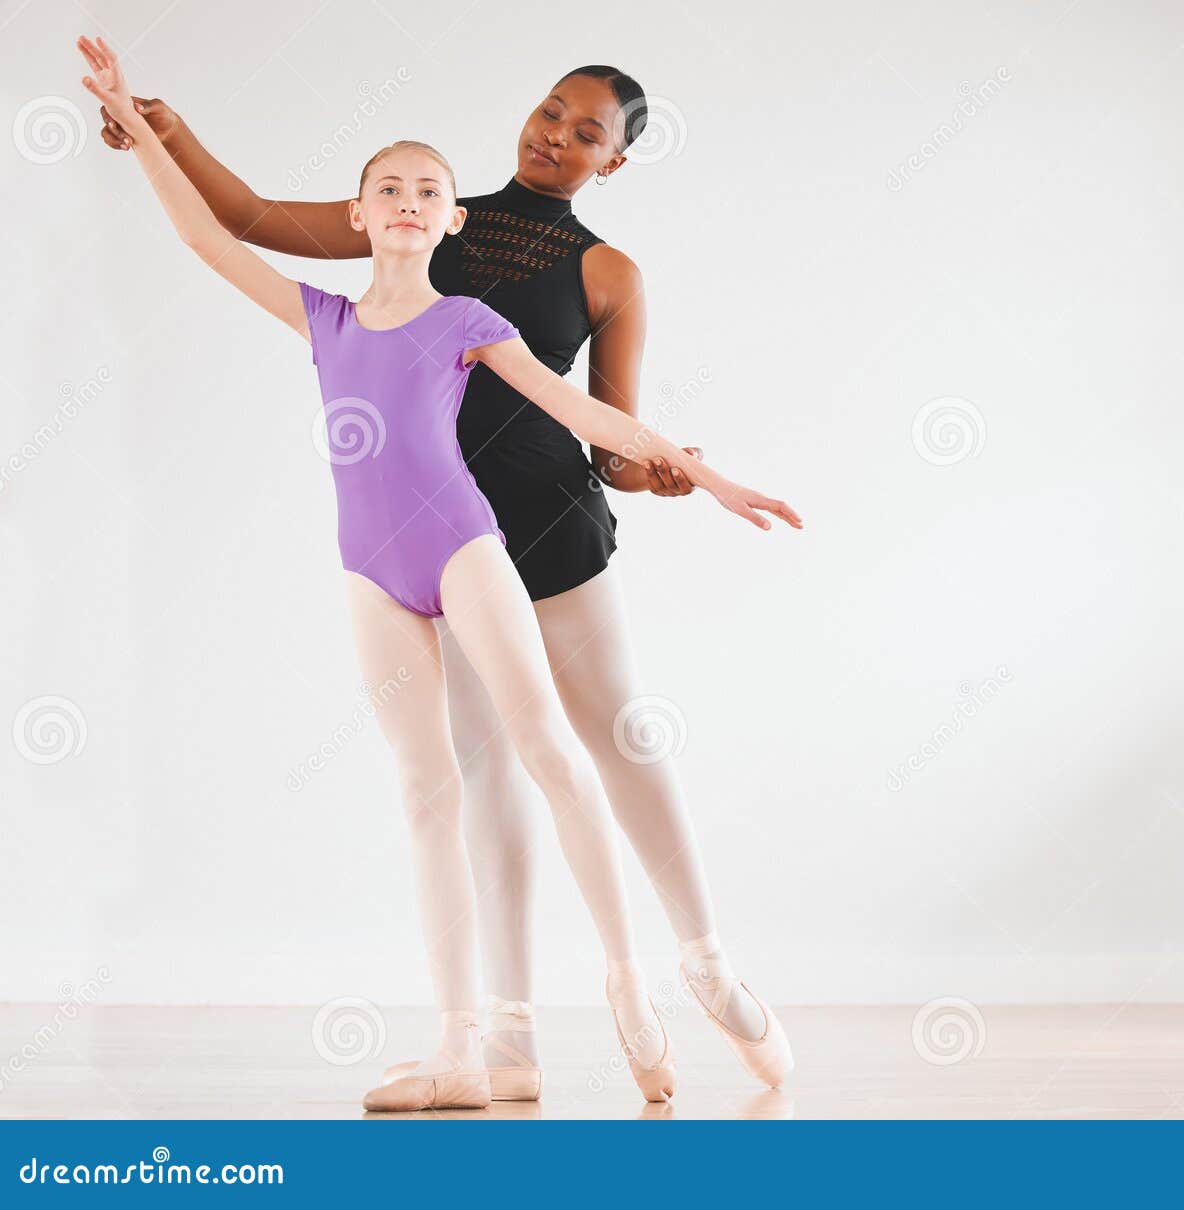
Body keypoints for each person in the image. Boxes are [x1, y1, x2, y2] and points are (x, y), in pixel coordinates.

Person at [77, 34, 800, 1111]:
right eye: (551, 111)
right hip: (437, 542)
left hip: (550, 529)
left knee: (616, 737)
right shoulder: (425, 208)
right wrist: (158, 127)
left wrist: (677, 475)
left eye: (586, 131)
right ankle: (504, 1033)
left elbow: (611, 432)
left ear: (615, 161)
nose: (556, 135)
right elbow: (243, 226)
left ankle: (702, 960)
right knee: (478, 770)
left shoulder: (604, 269)